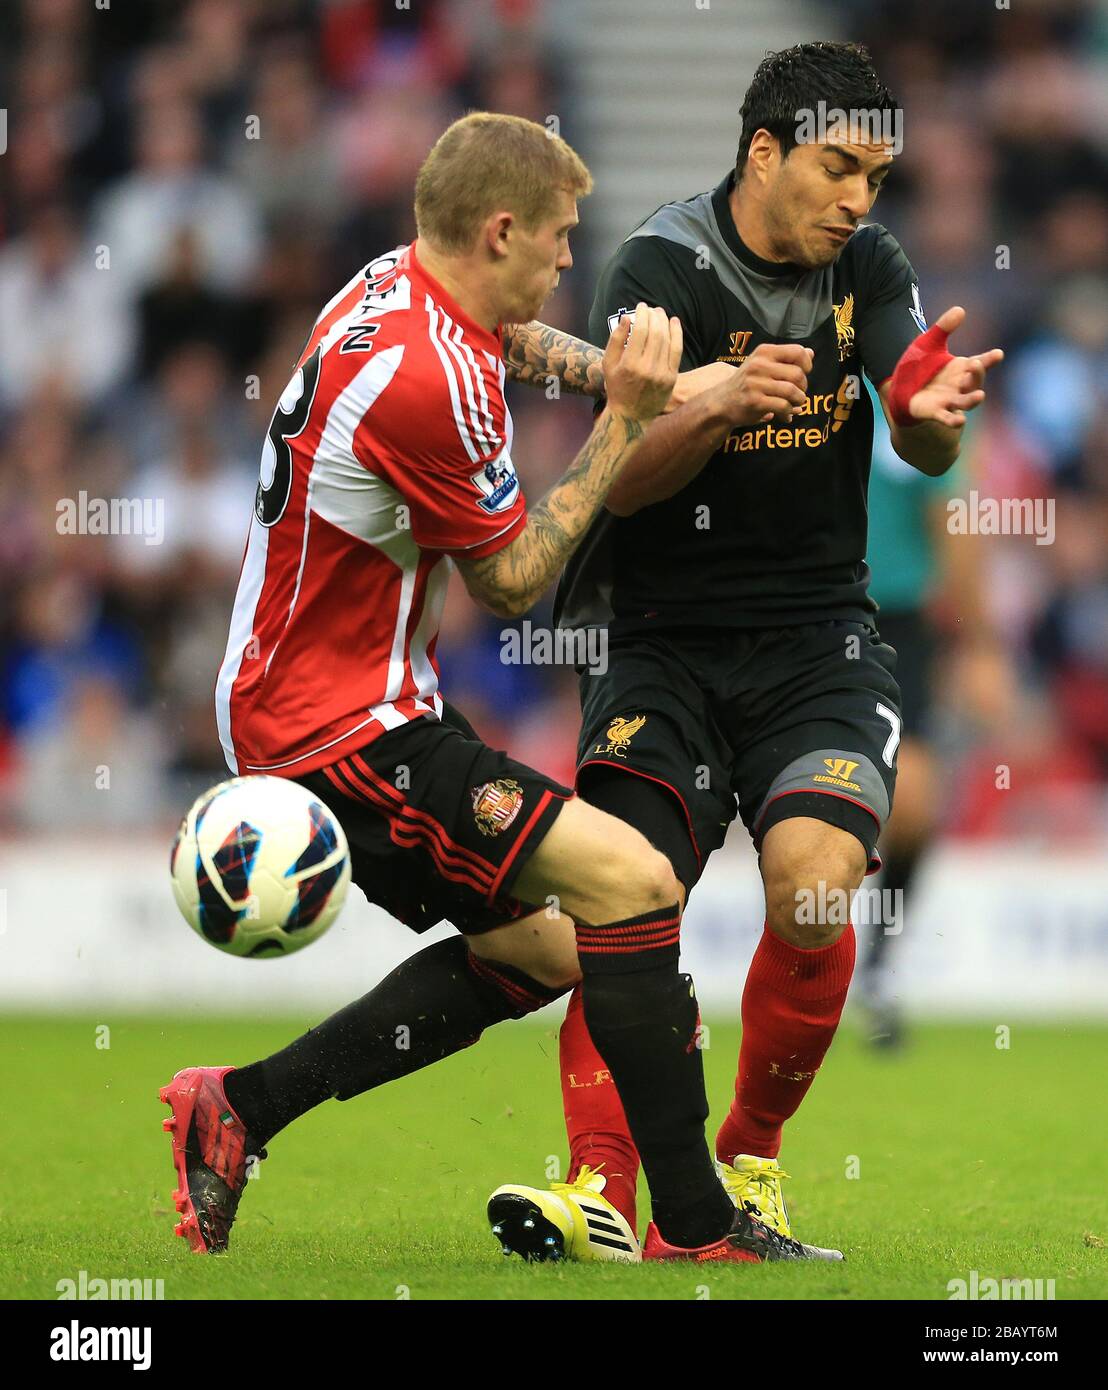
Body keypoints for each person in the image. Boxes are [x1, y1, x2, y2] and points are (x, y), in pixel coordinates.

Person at [161, 112, 829, 1266]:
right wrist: (626, 418)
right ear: (501, 229)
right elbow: (515, 582)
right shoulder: (427, 382)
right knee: (632, 880)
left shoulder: (397, 285)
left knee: (556, 952)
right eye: (561, 238)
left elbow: (520, 345)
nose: (574, 260)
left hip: (346, 694)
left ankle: (244, 1106)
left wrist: (676, 378)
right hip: (329, 725)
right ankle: (698, 1222)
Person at [487, 42, 1003, 1262]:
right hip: (660, 639)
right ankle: (599, 1186)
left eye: (875, 177)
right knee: (626, 900)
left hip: (818, 636)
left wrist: (929, 424)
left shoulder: (868, 265)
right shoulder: (659, 268)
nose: (858, 202)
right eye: (837, 170)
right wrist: (709, 400)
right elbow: (620, 475)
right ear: (762, 151)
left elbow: (922, 435)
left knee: (815, 881)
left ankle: (747, 1170)